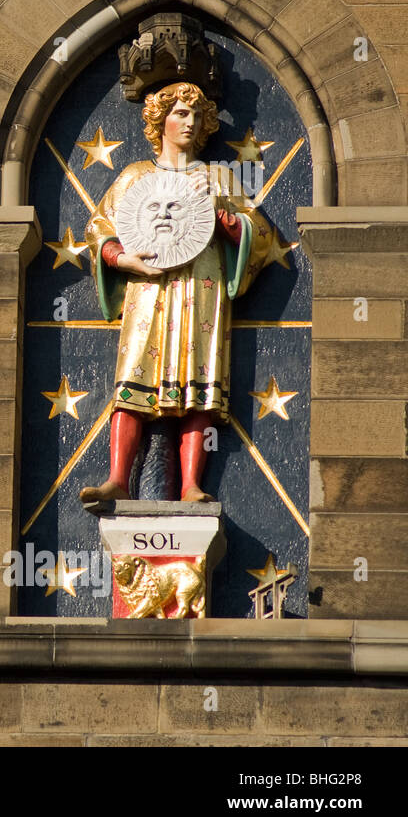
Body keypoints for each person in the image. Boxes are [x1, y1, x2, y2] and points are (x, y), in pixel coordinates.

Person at [79, 81, 276, 504]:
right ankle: (118, 478)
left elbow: (259, 235)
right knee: (133, 376)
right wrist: (120, 259)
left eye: (196, 115)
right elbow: (99, 230)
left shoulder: (218, 177)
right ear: (160, 121)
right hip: (148, 287)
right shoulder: (135, 176)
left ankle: (191, 484)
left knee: (200, 379)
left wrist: (224, 217)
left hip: (200, 286)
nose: (190, 122)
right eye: (180, 113)